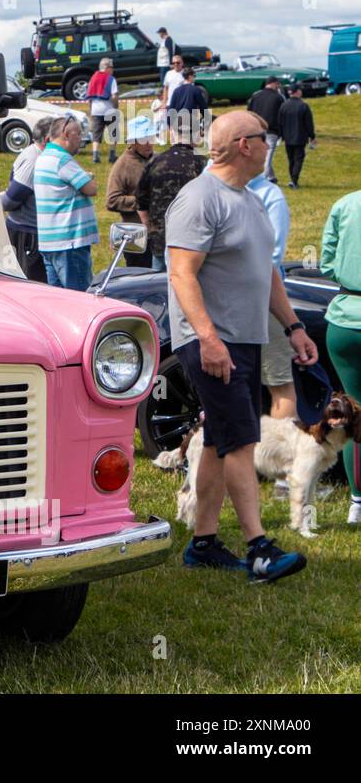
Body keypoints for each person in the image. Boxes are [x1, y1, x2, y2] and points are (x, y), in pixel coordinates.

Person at [167, 110, 317, 582]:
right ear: (243, 145)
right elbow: (181, 273)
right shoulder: (199, 199)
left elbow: (267, 272)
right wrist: (208, 339)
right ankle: (258, 548)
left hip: (247, 339)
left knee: (218, 440)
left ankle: (203, 544)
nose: (270, 142)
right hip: (213, 341)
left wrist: (293, 327)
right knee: (241, 440)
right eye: (263, 136)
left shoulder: (250, 200)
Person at [320, 189, 361, 523]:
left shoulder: (344, 204)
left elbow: (327, 264)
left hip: (345, 321)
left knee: (354, 414)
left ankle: (357, 502)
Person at [247, 165, 295, 419]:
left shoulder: (268, 194)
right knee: (281, 386)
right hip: (257, 301)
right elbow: (272, 256)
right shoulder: (268, 193)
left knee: (278, 382)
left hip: (260, 300)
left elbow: (272, 255)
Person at [34, 115, 98, 290]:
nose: (81, 138)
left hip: (50, 241)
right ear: (66, 135)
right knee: (79, 298)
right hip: (69, 243)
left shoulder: (43, 157)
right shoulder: (62, 160)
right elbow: (91, 189)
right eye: (78, 134)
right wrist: (89, 177)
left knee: (59, 300)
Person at [135, 132, 207, 271]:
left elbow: (141, 199)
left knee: (157, 284)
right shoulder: (201, 162)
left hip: (161, 238)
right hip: (191, 238)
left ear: (173, 135)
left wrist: (149, 226)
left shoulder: (155, 161)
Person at [0, 115, 54, 282]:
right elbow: (11, 199)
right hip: (26, 236)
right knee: (30, 285)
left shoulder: (34, 154)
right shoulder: (34, 161)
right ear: (47, 139)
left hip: (27, 233)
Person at [105, 115, 155, 267]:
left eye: (150, 138)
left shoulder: (156, 160)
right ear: (133, 142)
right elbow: (112, 200)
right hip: (136, 234)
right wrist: (143, 201)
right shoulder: (122, 165)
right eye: (143, 139)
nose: (148, 143)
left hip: (158, 233)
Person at [276, 83, 316, 188]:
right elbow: (309, 123)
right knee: (298, 159)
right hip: (300, 137)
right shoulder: (303, 106)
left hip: (288, 138)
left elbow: (279, 122)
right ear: (297, 92)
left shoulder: (284, 105)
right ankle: (294, 180)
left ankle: (292, 179)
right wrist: (312, 136)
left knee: (291, 159)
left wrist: (281, 135)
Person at [247, 76, 285, 183]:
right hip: (271, 131)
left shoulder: (256, 96)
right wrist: (282, 132)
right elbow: (282, 116)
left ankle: (271, 176)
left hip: (255, 130)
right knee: (268, 154)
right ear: (273, 84)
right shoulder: (279, 98)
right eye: (277, 84)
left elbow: (249, 112)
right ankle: (263, 178)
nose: (278, 86)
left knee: (260, 153)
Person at [85, 58, 119, 164]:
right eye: (111, 67)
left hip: (96, 110)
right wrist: (116, 106)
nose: (113, 70)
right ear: (107, 68)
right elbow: (114, 95)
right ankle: (112, 155)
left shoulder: (93, 78)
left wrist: (91, 110)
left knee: (96, 134)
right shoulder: (111, 79)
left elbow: (89, 97)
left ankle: (95, 155)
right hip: (108, 109)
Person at [166, 67, 209, 147]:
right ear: (189, 76)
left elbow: (171, 109)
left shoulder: (176, 90)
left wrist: (169, 124)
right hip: (191, 122)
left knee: (177, 148)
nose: (194, 78)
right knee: (191, 149)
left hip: (177, 122)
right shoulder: (196, 90)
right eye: (194, 76)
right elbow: (204, 109)